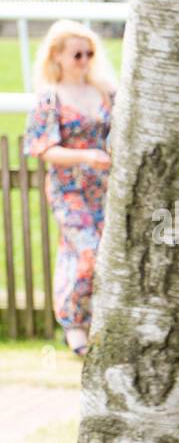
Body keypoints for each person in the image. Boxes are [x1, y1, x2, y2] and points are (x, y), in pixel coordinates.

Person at [22, 19, 116, 357]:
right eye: (77, 54)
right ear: (57, 56)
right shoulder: (50, 98)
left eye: (89, 53)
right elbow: (42, 148)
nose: (85, 60)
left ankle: (100, 324)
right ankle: (74, 325)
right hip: (70, 190)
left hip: (106, 189)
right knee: (87, 252)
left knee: (108, 255)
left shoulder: (106, 91)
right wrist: (86, 156)